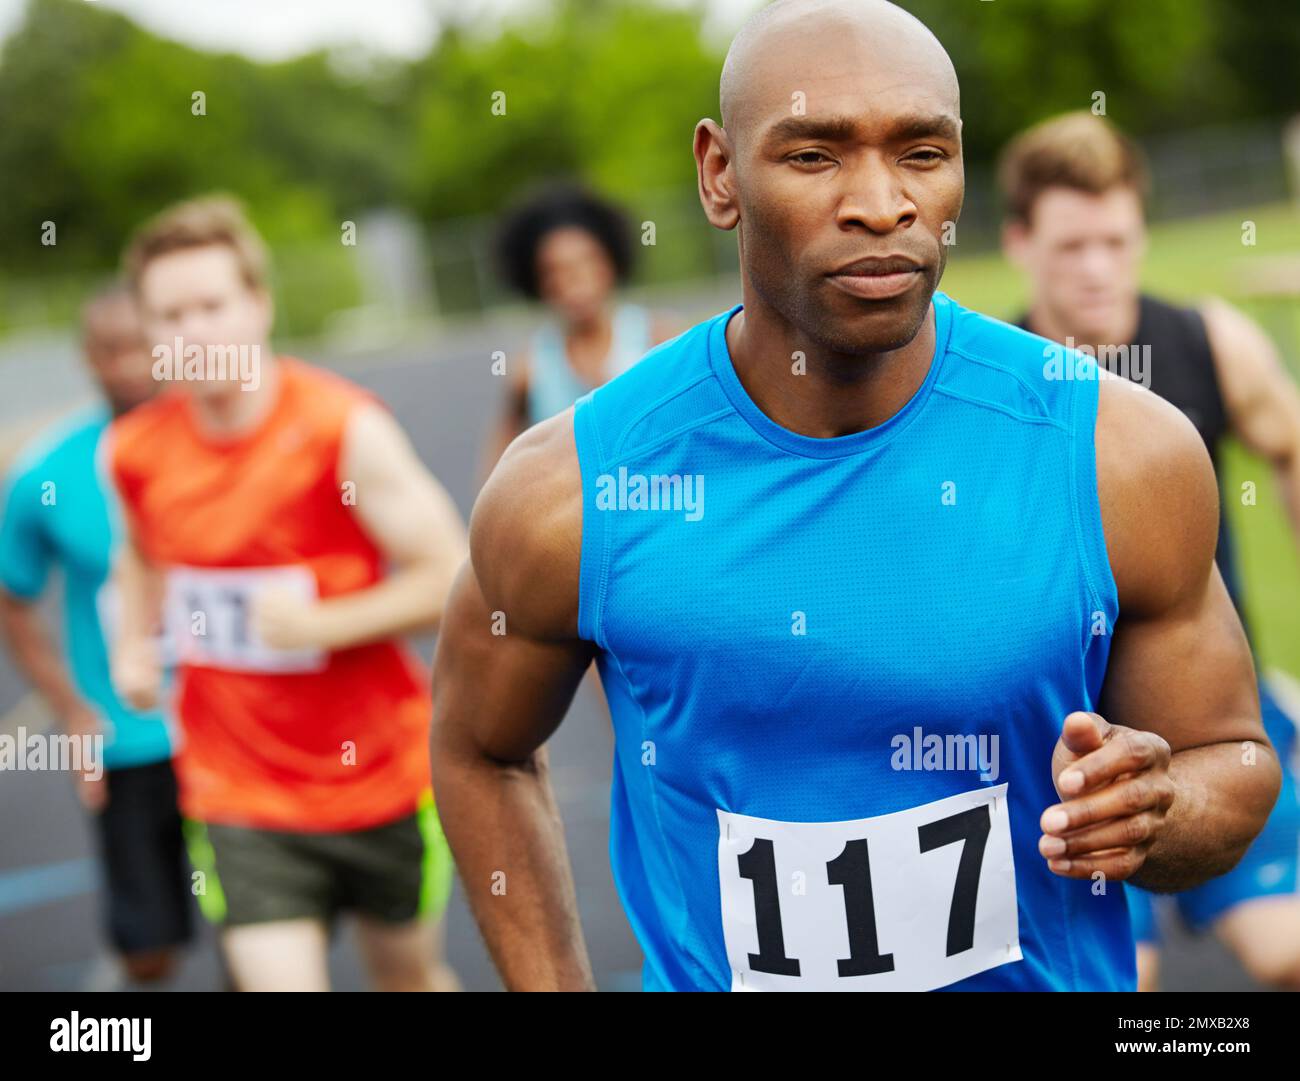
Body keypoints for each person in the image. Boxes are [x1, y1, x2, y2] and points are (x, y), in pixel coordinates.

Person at [429, 0, 1278, 991]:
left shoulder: (1118, 453)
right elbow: (475, 746)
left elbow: (1233, 758)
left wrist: (1159, 807)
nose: (882, 202)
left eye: (921, 152)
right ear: (718, 175)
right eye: (814, 155)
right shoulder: (571, 489)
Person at [107, 196, 468, 992]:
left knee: (410, 980)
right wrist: (132, 643)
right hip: (237, 792)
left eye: (211, 305)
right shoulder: (134, 452)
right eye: (169, 314)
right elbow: (138, 556)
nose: (193, 331)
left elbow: (451, 575)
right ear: (148, 330)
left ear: (259, 305)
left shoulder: (342, 429)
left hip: (377, 776)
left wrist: (320, 622)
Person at [999, 111, 1300, 992]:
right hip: (1070, 748)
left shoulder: (1210, 342)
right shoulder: (992, 387)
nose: (1097, 269)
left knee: (1289, 954)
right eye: (1071, 246)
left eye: (1115, 241)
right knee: (1123, 986)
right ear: (1019, 241)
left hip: (1219, 716)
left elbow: (1288, 447)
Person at [0, 285, 191, 985]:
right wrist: (71, 707)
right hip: (127, 739)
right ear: (87, 358)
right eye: (112, 350)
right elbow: (13, 596)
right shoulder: (46, 474)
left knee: (262, 931)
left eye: (143, 345)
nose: (131, 365)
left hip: (230, 732)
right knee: (147, 948)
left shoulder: (222, 442)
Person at [482, 183, 681, 474]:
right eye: (555, 271)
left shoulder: (660, 341)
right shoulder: (530, 369)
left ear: (609, 264)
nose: (573, 282)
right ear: (539, 282)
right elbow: (498, 467)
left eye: (585, 264)